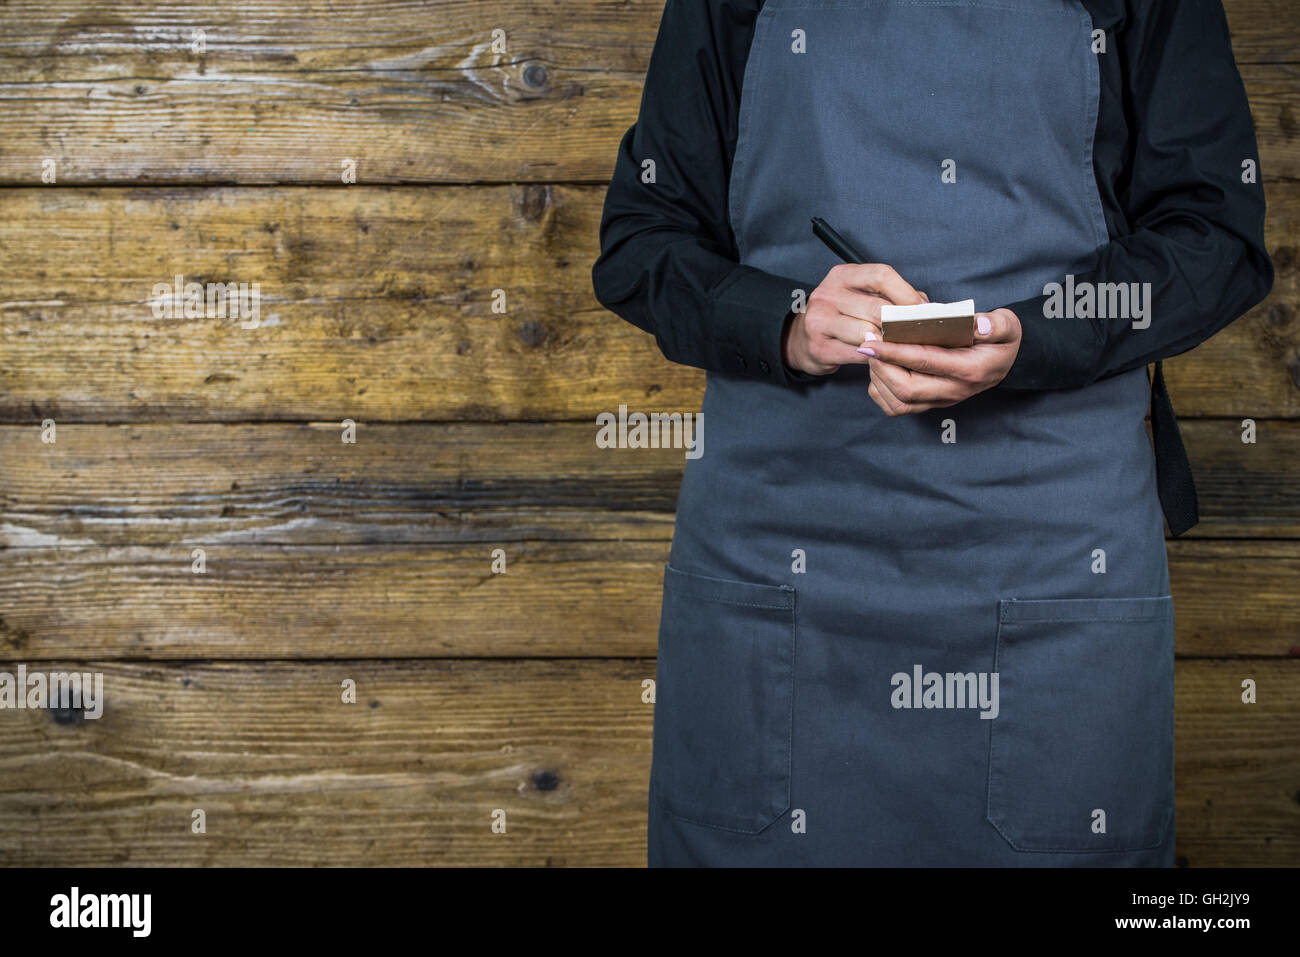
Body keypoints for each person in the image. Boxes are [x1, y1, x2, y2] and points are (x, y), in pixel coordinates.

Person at [591, 0, 1273, 866]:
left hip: (1051, 557)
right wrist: (787, 321)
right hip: (784, 548)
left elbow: (1217, 236)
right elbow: (641, 238)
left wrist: (1038, 334)